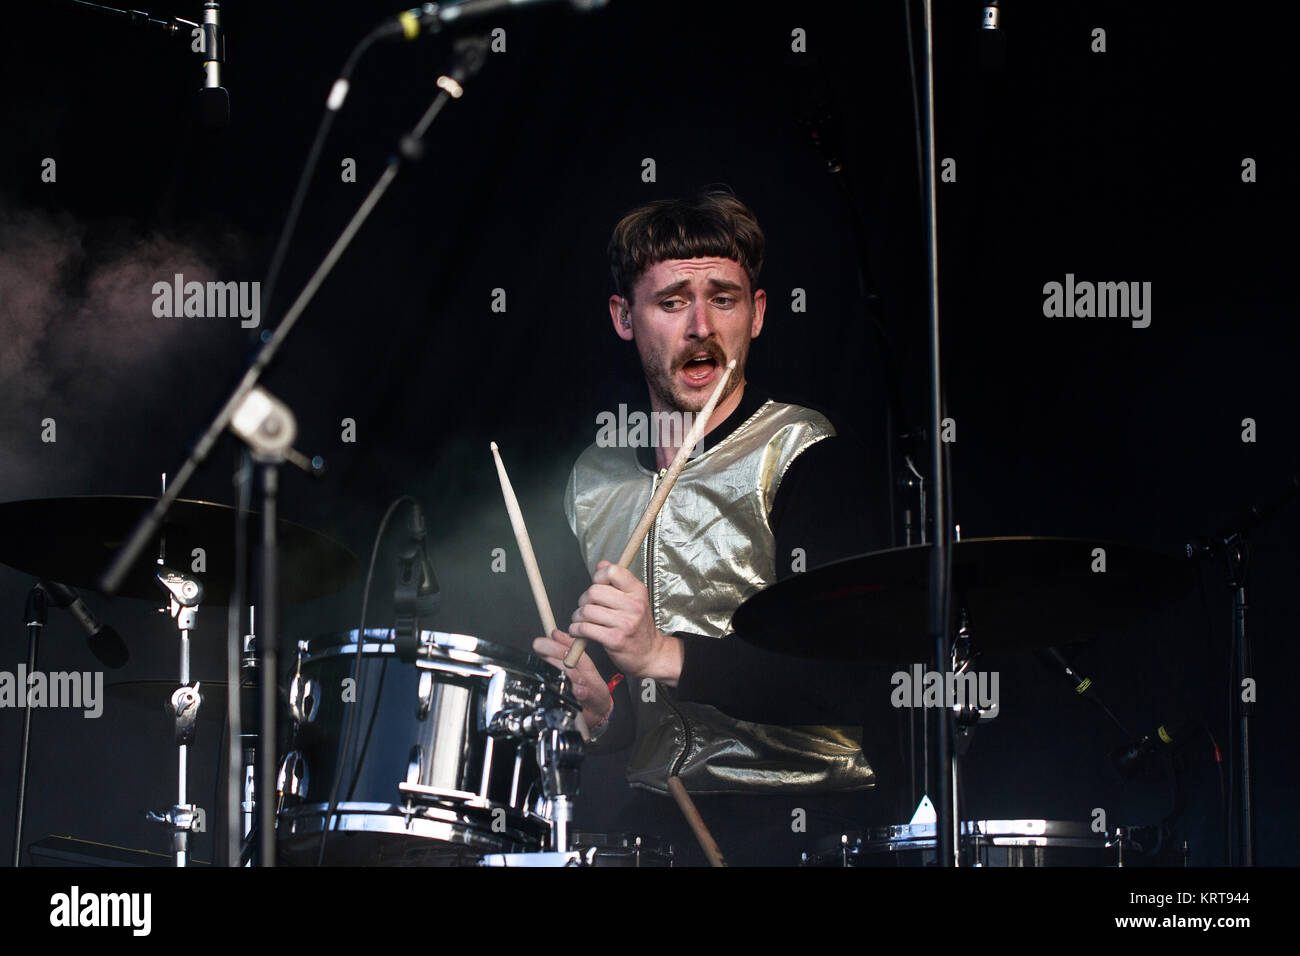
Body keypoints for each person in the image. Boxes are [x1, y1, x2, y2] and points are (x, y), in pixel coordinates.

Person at [532, 189, 899, 865]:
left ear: (756, 314)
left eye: (723, 298)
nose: (701, 324)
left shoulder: (805, 449)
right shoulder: (593, 480)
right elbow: (625, 717)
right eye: (672, 301)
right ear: (624, 317)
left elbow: (848, 673)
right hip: (655, 827)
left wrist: (662, 654)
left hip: (805, 825)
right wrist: (602, 715)